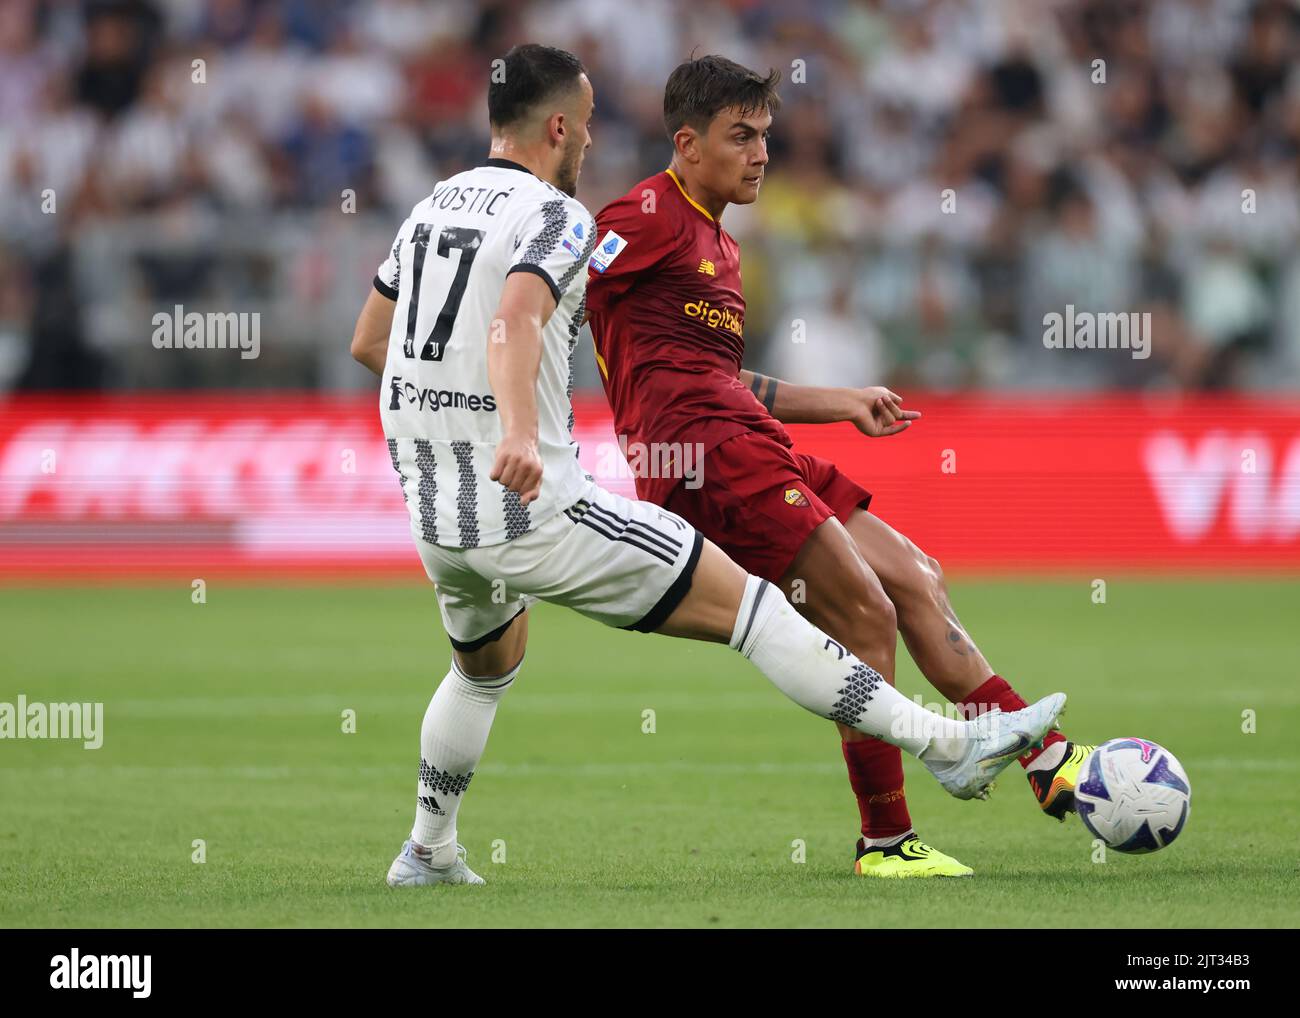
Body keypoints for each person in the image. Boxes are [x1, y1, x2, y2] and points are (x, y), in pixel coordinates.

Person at [348, 45, 1065, 887]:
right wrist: (511, 426)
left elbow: (370, 344)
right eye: (584, 125)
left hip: (438, 515)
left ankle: (427, 852)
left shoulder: (431, 209)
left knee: (483, 672)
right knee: (759, 611)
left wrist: (466, 411)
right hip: (540, 502)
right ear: (557, 127)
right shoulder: (564, 216)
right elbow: (518, 317)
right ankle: (946, 747)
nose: (591, 141)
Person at [586, 55, 1092, 878]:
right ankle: (886, 840)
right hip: (704, 457)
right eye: (740, 136)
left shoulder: (718, 240)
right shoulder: (644, 213)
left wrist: (842, 401)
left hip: (746, 434)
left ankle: (1048, 762)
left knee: (916, 576)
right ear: (686, 143)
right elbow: (551, 284)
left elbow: (717, 376)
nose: (760, 154)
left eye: (766, 137)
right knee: (863, 614)